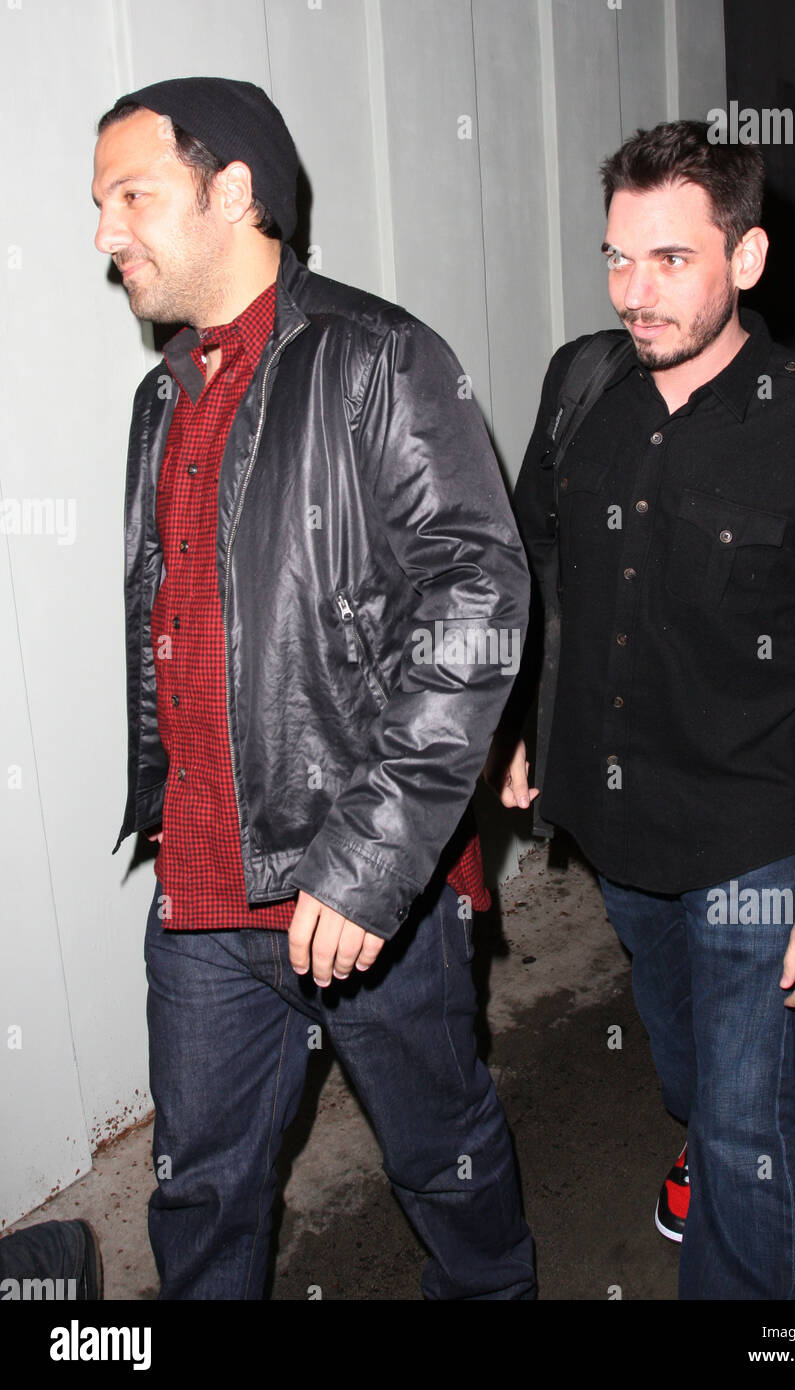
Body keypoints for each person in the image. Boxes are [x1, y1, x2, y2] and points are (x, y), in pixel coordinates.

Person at [92, 76, 535, 1300]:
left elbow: (478, 603)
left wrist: (367, 859)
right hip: (200, 889)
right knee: (200, 1189)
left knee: (443, 1164)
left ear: (234, 193)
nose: (104, 232)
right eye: (98, 204)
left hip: (360, 884)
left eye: (134, 194)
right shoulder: (159, 397)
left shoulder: (379, 358)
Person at [488, 119, 795, 1299]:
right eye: (617, 257)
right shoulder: (582, 388)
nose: (635, 291)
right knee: (686, 1066)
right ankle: (706, 1137)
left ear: (749, 258)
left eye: (670, 258)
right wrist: (521, 718)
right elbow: (534, 564)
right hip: (620, 830)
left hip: (759, 839)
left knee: (747, 1125)